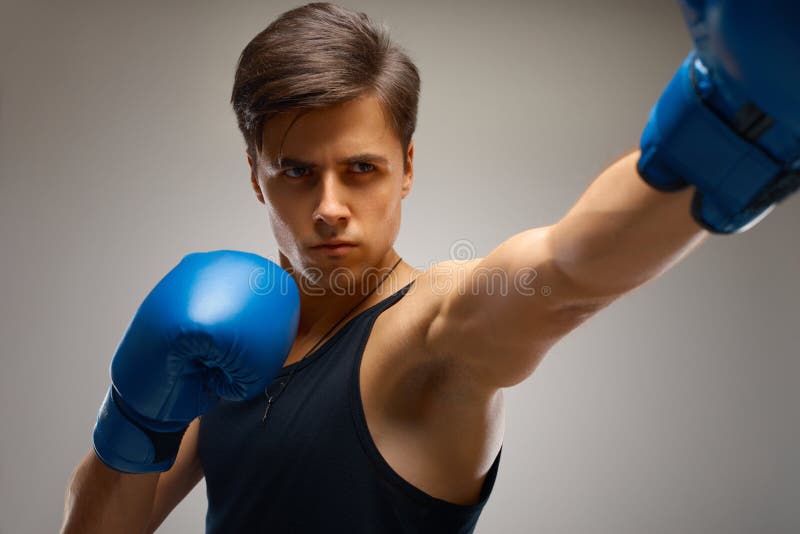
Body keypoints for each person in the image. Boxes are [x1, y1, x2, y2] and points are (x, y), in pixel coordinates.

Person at [61, 2, 800, 532]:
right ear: (256, 176)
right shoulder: (222, 343)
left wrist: (732, 127)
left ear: (406, 168)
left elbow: (565, 274)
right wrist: (134, 413)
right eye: (295, 171)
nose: (329, 206)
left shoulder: (433, 330)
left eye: (360, 169)